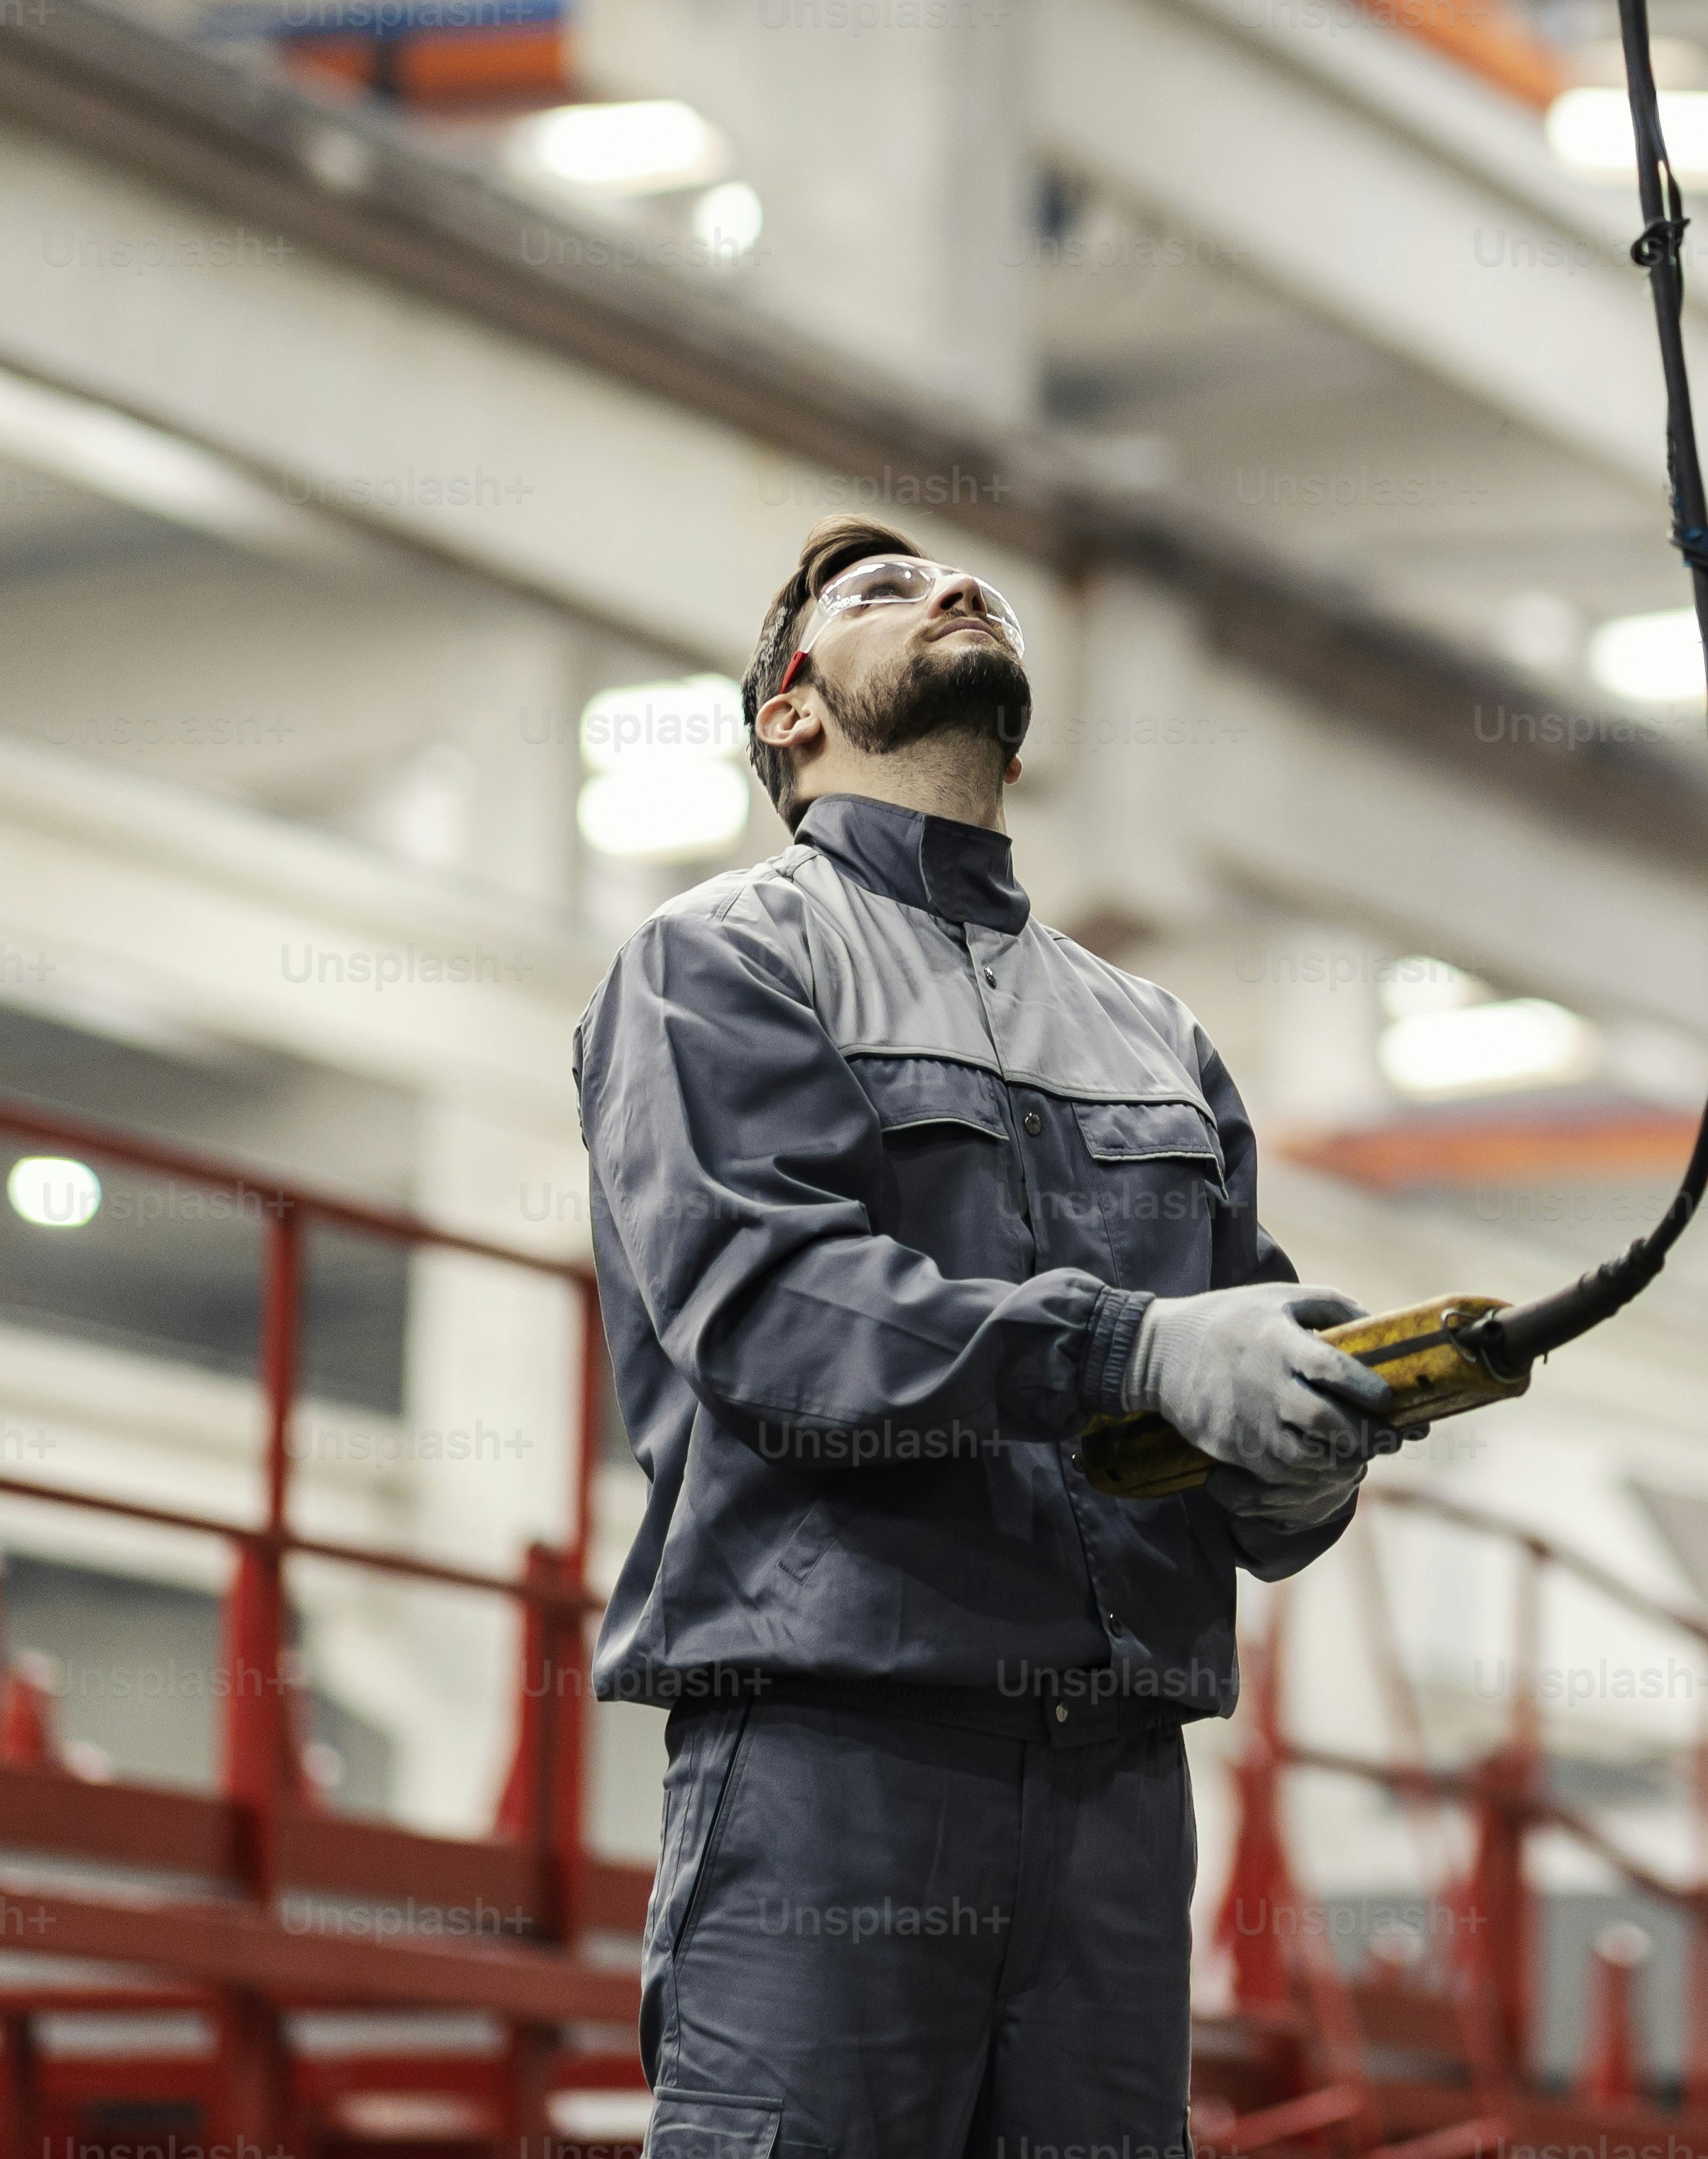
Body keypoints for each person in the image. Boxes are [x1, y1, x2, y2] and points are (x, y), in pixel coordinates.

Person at [581, 513, 1398, 2156]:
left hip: (1115, 1789)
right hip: (837, 1754)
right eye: (883, 593)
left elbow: (1236, 1382)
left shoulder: (1155, 1034)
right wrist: (1136, 1354)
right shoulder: (723, 957)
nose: (952, 586)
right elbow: (774, 1311)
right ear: (789, 712)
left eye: (974, 583)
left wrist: (1307, 1460)